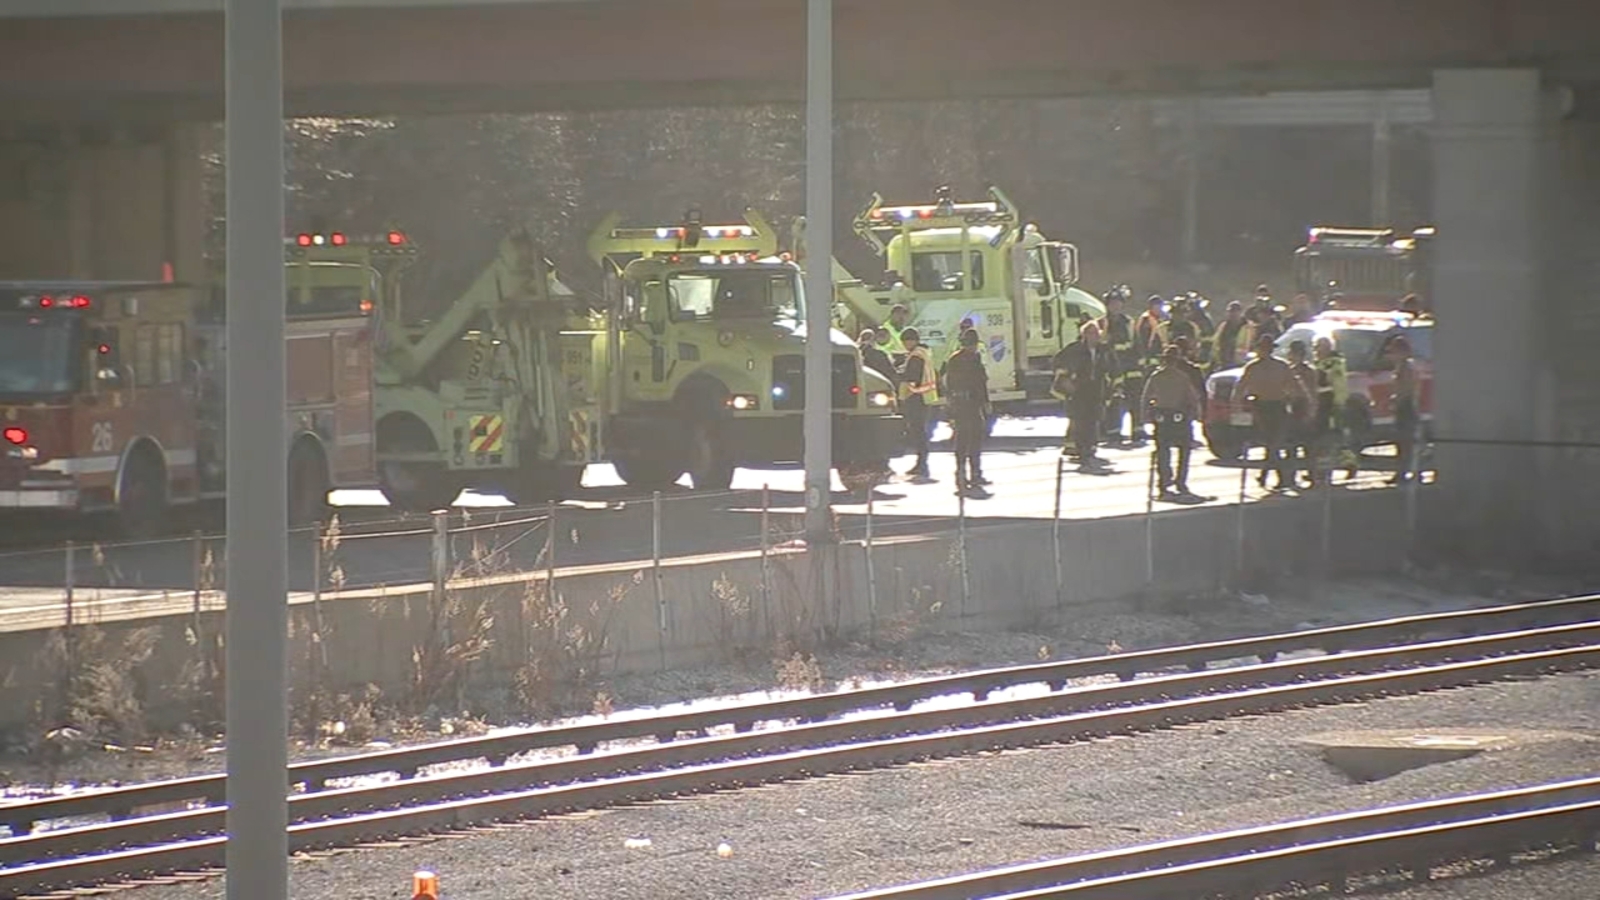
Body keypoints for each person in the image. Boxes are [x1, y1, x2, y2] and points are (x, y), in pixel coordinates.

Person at [1236, 332, 1310, 491]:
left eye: (1265, 349)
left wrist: (1303, 400)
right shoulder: (1254, 367)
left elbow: (1295, 385)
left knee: (1274, 443)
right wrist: (1237, 406)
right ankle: (1274, 476)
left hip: (1277, 406)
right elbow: (1240, 388)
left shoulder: (1280, 366)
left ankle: (1276, 476)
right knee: (1272, 443)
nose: (1263, 351)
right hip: (1261, 407)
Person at [1141, 343, 1202, 498]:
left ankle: (1164, 481)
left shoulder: (1156, 376)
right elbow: (1192, 398)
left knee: (1163, 450)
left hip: (1161, 416)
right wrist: (1196, 413)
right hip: (1178, 416)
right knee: (1184, 450)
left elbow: (1146, 397)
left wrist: (1145, 416)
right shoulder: (1182, 377)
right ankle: (1180, 481)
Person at [1052, 320, 1113, 467]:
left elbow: (1112, 367)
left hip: (1096, 389)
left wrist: (1114, 387)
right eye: (1090, 333)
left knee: (1094, 418)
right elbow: (1057, 361)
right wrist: (1066, 379)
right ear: (1084, 335)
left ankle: (1090, 446)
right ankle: (1080, 447)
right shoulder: (1075, 349)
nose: (1094, 336)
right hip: (1079, 389)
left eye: (1096, 333)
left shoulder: (1103, 350)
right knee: (1080, 419)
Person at [944, 328, 990, 495]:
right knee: (967, 440)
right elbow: (979, 382)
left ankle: (970, 473)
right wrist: (985, 402)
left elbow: (980, 382)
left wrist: (985, 402)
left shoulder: (961, 359)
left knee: (970, 439)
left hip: (967, 403)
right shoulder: (963, 360)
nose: (973, 347)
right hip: (966, 404)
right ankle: (967, 473)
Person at [1098, 289, 1141, 444]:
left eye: (1118, 303)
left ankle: (1138, 430)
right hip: (1110, 368)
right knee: (1113, 400)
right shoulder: (1101, 323)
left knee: (1135, 399)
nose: (1115, 306)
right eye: (1112, 304)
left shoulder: (1129, 322)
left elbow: (1137, 345)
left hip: (1130, 367)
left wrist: (1140, 367)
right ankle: (1113, 431)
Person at [895, 327, 937, 480]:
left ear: (911, 340)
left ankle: (922, 465)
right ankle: (921, 464)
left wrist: (901, 379)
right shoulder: (923, 353)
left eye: (905, 342)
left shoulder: (916, 356)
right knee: (920, 432)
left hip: (916, 398)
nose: (904, 345)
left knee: (918, 432)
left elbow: (912, 378)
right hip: (924, 398)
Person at [1312, 336, 1354, 485]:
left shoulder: (1333, 363)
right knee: (1324, 437)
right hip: (1322, 403)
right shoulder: (1320, 363)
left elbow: (1334, 383)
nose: (1316, 350)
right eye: (1316, 346)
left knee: (1332, 436)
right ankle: (1322, 470)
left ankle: (1346, 464)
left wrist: (1338, 403)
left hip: (1331, 403)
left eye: (1319, 347)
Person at [1285, 340, 1320, 487]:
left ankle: (1312, 475)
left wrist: (1311, 411)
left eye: (1292, 353)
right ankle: (1290, 478)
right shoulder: (1290, 370)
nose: (1289, 355)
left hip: (1303, 407)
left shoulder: (1307, 371)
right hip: (1292, 408)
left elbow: (1312, 393)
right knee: (1291, 446)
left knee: (1307, 446)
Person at [1388, 336, 1421, 485]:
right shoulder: (1402, 367)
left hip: (1406, 408)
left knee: (1406, 441)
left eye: (1395, 351)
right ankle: (1405, 471)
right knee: (1402, 443)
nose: (1392, 355)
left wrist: (1398, 400)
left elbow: (1407, 389)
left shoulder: (1407, 367)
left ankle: (1408, 472)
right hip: (1404, 406)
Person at [1209, 300, 1252, 372]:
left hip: (1240, 363)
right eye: (1231, 311)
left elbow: (1250, 344)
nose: (1233, 314)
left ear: (1241, 312)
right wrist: (1214, 358)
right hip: (1223, 361)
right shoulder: (1223, 326)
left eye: (1235, 311)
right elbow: (1216, 342)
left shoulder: (1247, 327)